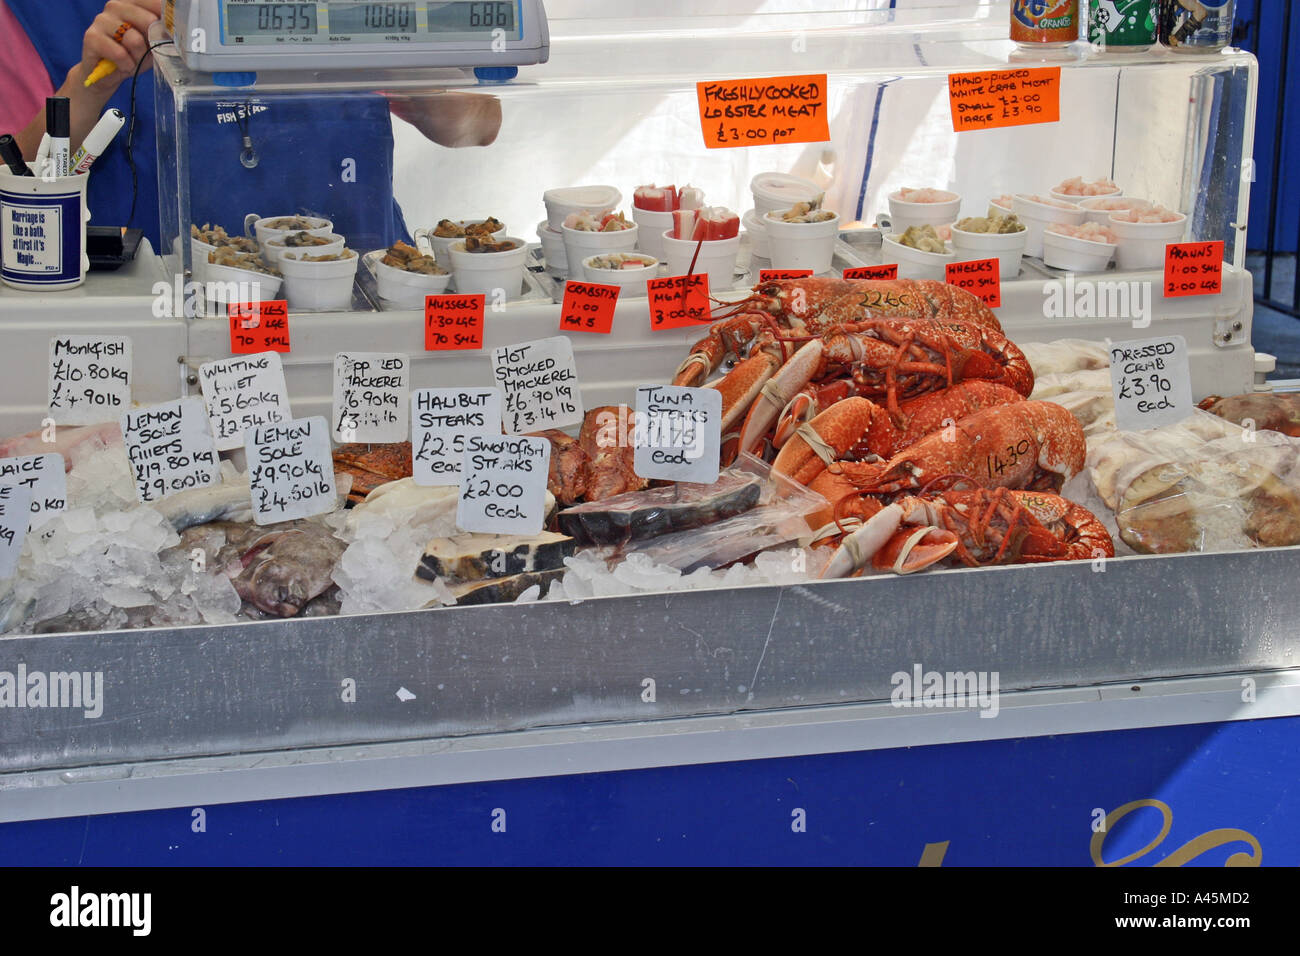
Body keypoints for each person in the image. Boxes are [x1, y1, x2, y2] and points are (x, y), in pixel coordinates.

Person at [1, 0, 501, 253]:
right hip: (159, 315)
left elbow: (480, 124)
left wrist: (393, 56)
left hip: (355, 292)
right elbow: (14, 187)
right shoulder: (31, 16)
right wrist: (90, 84)